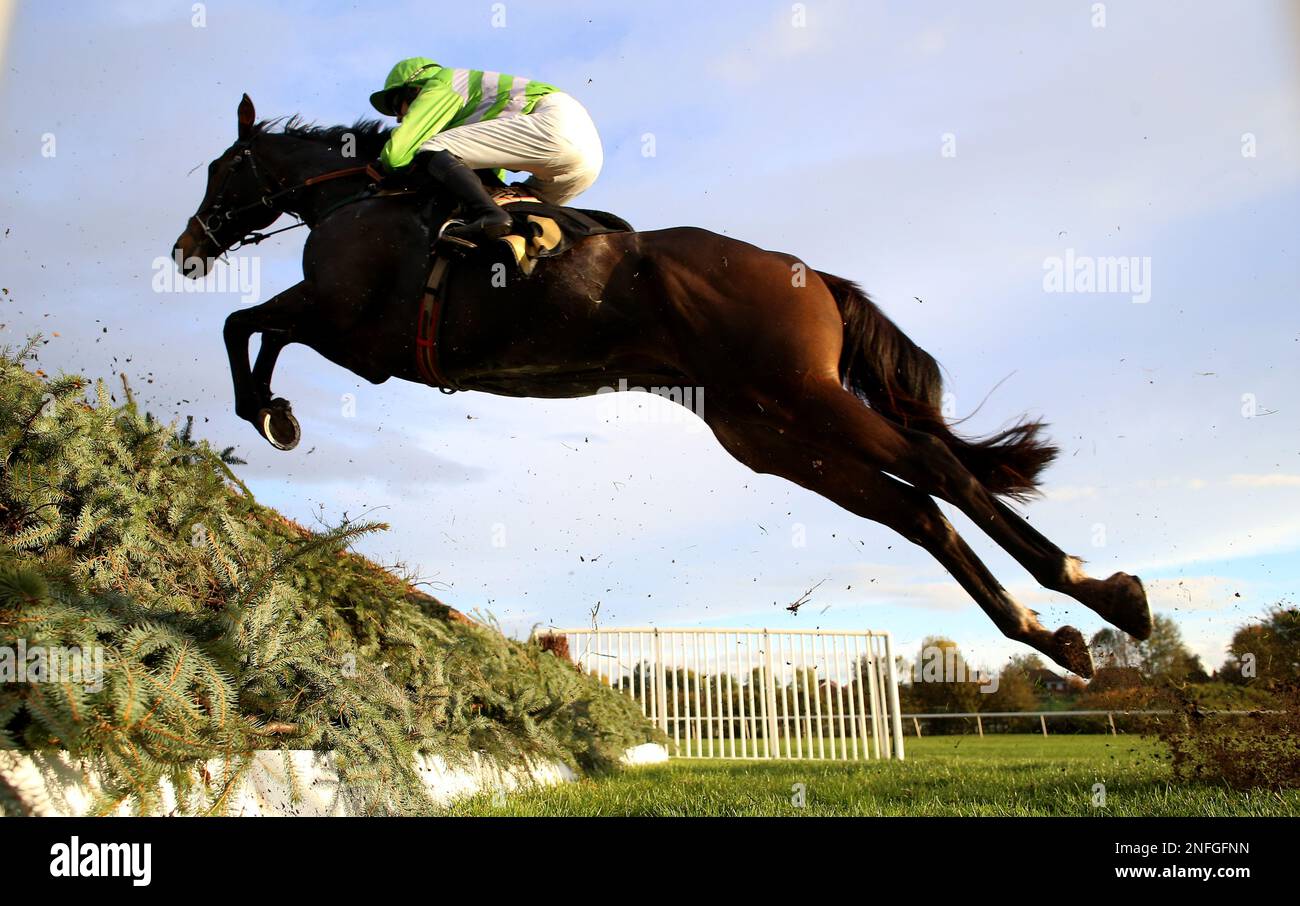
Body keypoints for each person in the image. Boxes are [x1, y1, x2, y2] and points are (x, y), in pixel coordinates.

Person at [369, 57, 604, 240]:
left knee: (431, 147)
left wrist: (379, 172)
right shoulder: (471, 109)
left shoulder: (440, 83)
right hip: (586, 163)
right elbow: (491, 176)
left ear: (413, 90)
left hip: (556, 126)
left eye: (395, 105)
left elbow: (397, 155)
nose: (399, 118)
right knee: (513, 210)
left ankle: (489, 215)